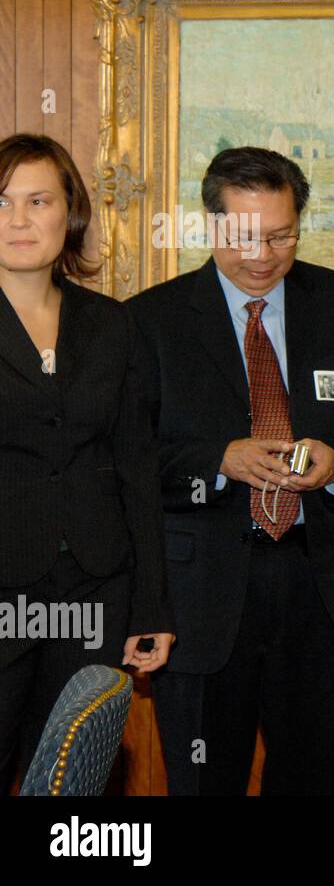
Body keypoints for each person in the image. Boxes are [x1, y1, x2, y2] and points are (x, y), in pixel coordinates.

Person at [127, 147, 334, 795]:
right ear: (210, 225)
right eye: (245, 236)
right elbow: (127, 462)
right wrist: (218, 460)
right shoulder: (151, 321)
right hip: (202, 600)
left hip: (323, 599)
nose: (264, 254)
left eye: (282, 235)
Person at [0, 133, 173, 786]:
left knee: (70, 779)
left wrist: (150, 604)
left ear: (67, 212)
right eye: (3, 202)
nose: (18, 220)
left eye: (37, 200)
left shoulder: (110, 325)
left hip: (93, 591)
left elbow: (135, 465)